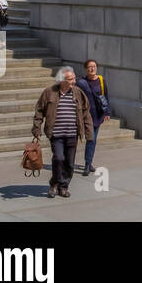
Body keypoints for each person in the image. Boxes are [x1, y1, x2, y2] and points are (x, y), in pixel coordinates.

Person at [32, 66, 94, 199]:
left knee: (70, 163)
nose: (74, 81)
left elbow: (86, 113)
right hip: (56, 135)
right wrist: (36, 128)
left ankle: (64, 186)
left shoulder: (78, 92)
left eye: (74, 78)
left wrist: (89, 133)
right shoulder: (49, 92)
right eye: (70, 79)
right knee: (58, 158)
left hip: (72, 134)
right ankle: (54, 184)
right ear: (61, 80)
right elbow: (39, 111)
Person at [78, 59, 110, 176]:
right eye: (90, 67)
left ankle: (89, 162)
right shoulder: (81, 83)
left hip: (99, 114)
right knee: (91, 139)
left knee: (93, 139)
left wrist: (107, 112)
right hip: (87, 115)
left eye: (94, 66)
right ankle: (87, 164)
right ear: (86, 69)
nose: (92, 69)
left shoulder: (101, 80)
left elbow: (105, 96)